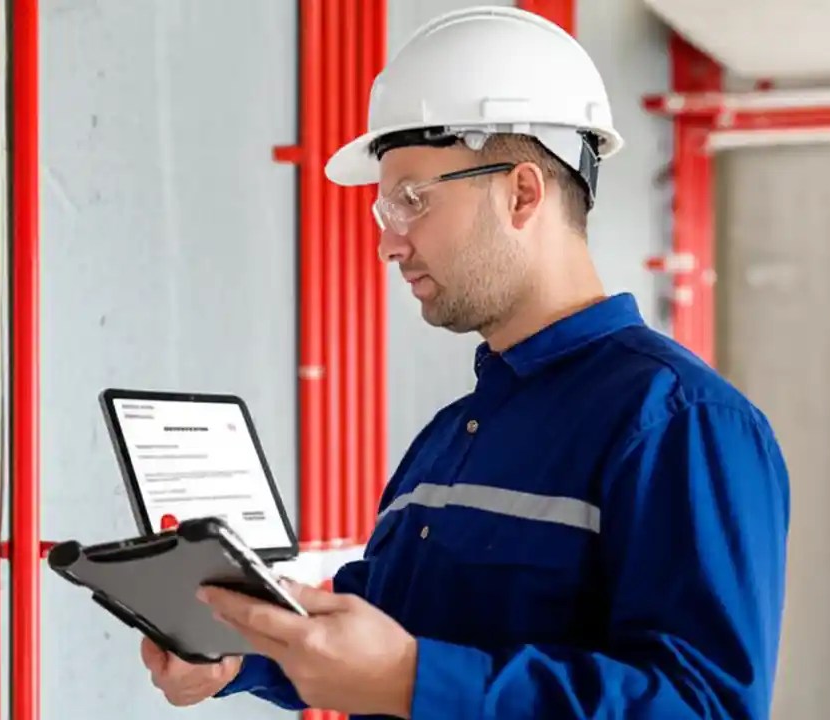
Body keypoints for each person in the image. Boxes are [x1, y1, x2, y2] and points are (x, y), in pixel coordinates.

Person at [141, 6, 790, 718]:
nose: (390, 244)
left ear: (521, 193)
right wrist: (237, 655)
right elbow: (387, 640)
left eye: (411, 201)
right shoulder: (452, 437)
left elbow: (706, 707)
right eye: (383, 212)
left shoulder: (680, 422)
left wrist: (416, 681)